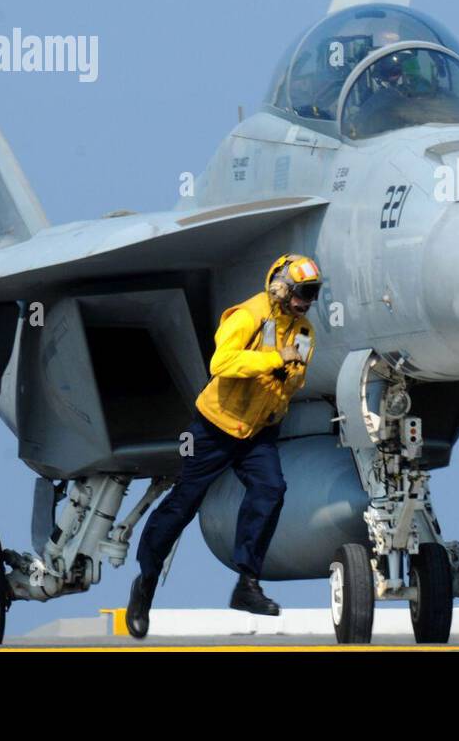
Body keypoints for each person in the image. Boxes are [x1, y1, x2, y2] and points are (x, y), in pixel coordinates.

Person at [125, 254, 321, 638]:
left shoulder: (304, 332)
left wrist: (287, 373)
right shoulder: (247, 316)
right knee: (185, 503)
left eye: (312, 294)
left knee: (271, 490)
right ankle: (146, 580)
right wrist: (271, 359)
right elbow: (221, 362)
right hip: (214, 428)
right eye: (302, 293)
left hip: (257, 433)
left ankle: (247, 583)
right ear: (281, 287)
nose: (306, 302)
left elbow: (296, 379)